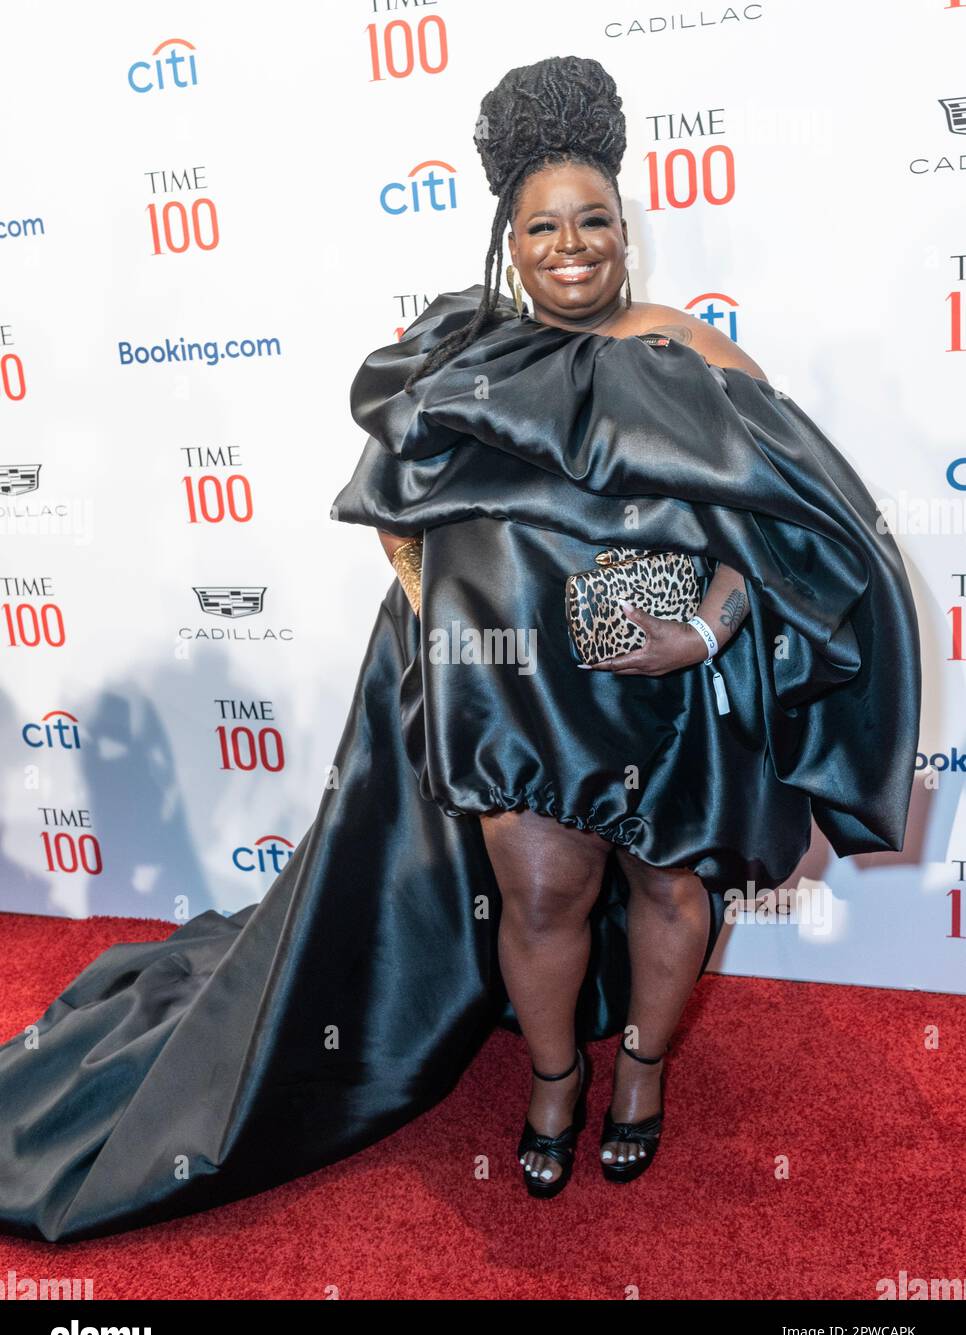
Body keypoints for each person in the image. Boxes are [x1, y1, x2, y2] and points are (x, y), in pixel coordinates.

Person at [0, 57, 919, 1241]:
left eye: (595, 220)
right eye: (545, 226)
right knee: (540, 893)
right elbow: (394, 503)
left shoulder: (692, 354)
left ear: (626, 229)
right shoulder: (463, 356)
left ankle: (641, 1063)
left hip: (674, 701)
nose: (573, 245)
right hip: (518, 703)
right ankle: (555, 1081)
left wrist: (703, 627)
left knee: (667, 886)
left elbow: (797, 522)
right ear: (510, 240)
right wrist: (459, 617)